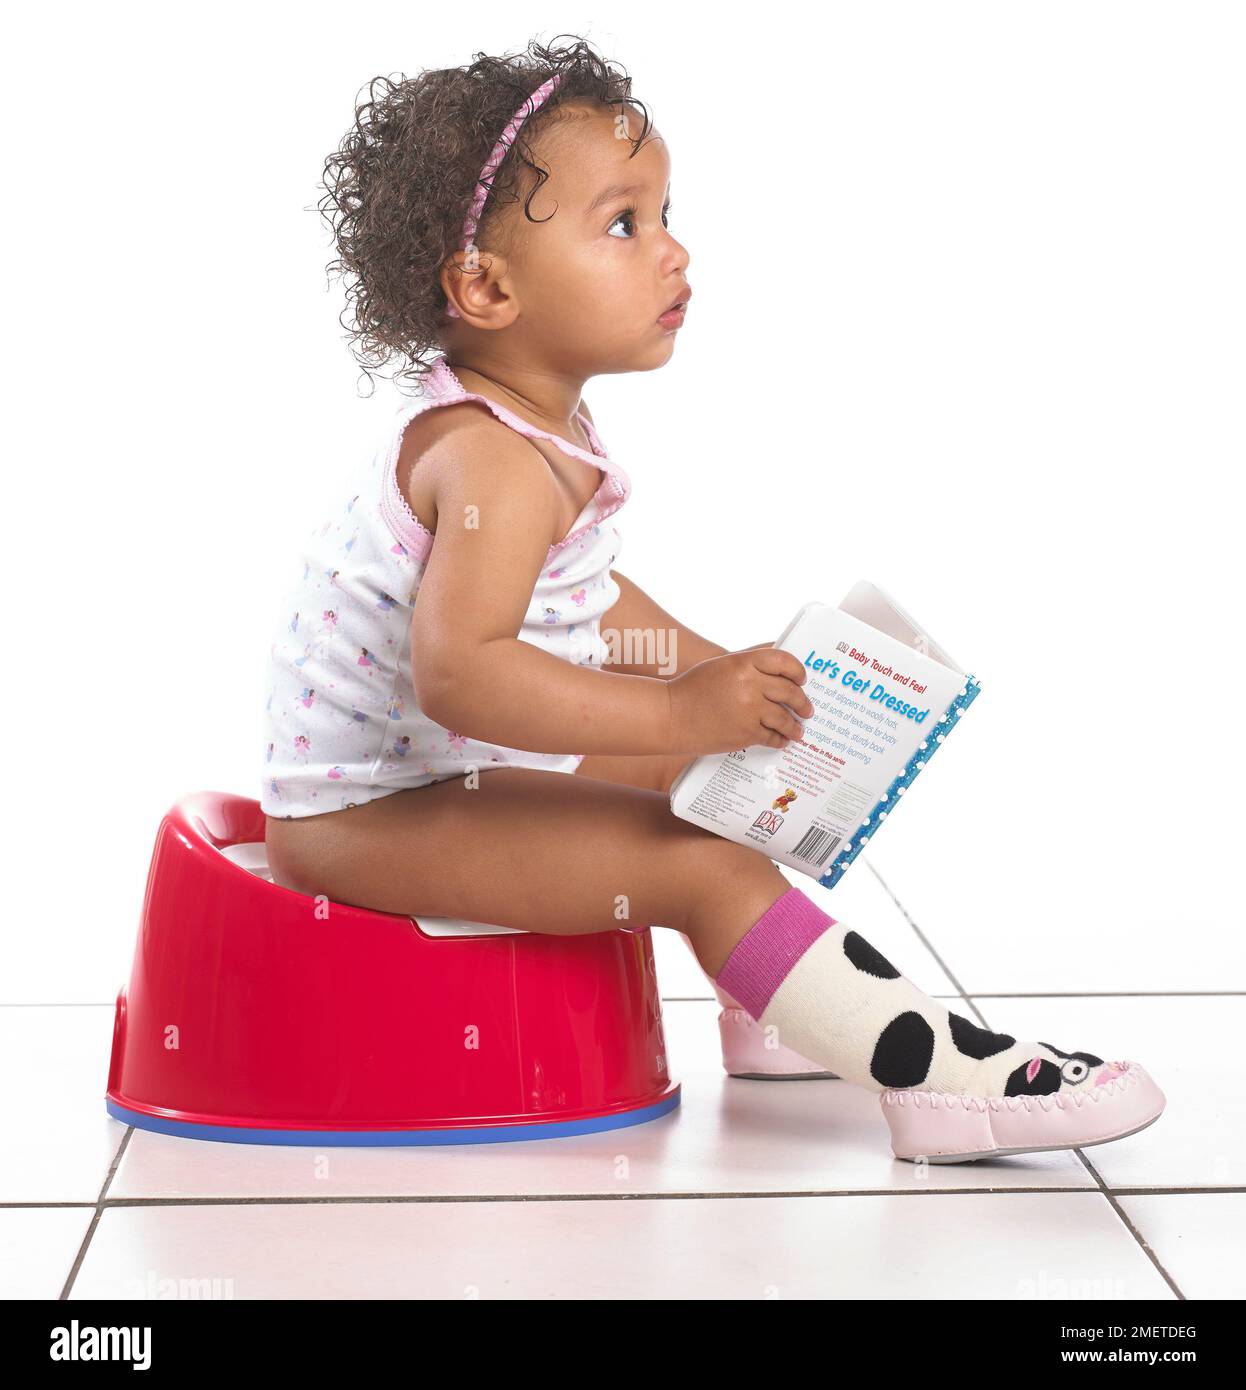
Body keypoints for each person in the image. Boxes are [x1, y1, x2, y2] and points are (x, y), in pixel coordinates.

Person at [260, 35, 1165, 1163]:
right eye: (623, 225)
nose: (673, 250)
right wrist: (676, 710)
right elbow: (467, 673)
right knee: (700, 860)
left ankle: (774, 1009)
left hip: (437, 779)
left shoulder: (533, 432)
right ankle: (942, 1080)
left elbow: (582, 603)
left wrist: (708, 677)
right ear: (486, 287)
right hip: (365, 821)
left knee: (716, 780)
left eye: (665, 214)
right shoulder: (488, 460)